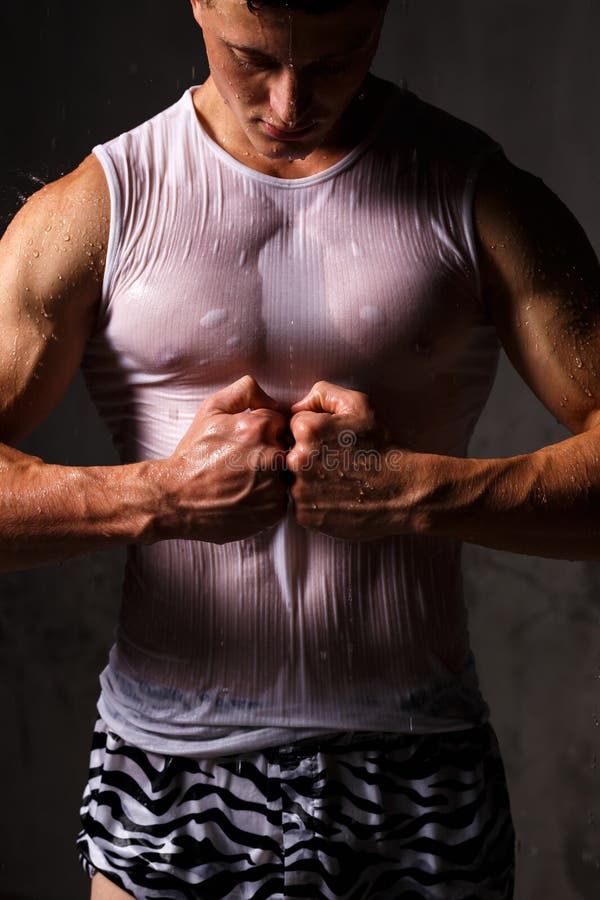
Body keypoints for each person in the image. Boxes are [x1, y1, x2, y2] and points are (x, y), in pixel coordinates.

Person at [2, 0, 599, 897]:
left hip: (415, 759)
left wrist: (414, 494)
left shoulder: (476, 194)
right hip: (170, 764)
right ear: (200, 6)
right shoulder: (98, 210)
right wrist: (158, 496)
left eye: (335, 59)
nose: (290, 103)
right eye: (253, 59)